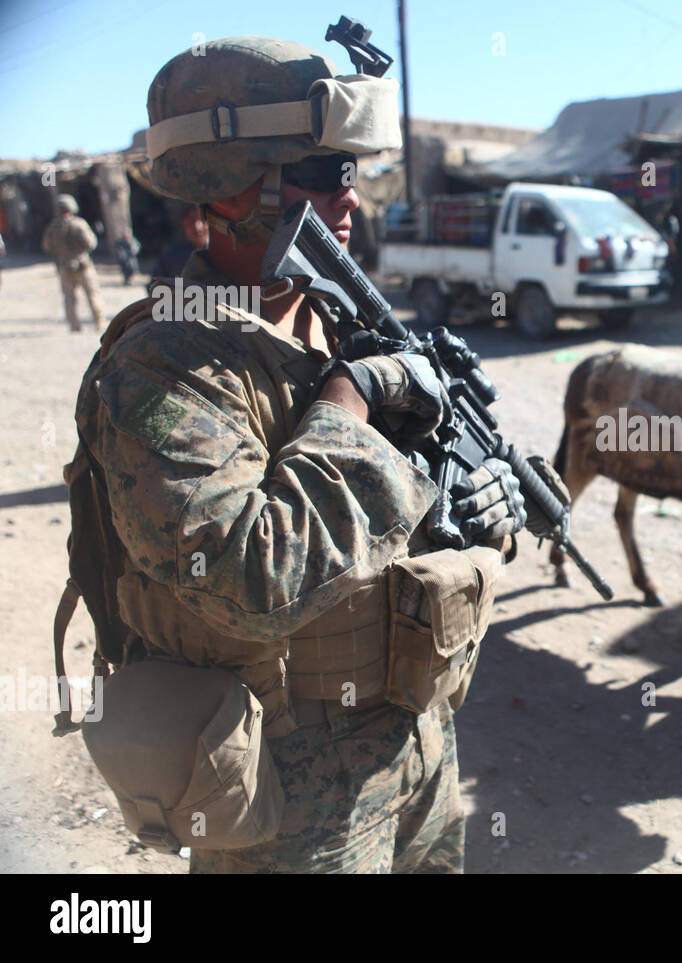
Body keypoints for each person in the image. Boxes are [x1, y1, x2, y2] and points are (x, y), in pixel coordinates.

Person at [80, 33, 531, 873]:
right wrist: (353, 399)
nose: (351, 200)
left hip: (419, 740)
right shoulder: (160, 367)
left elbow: (394, 521)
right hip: (291, 798)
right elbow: (250, 581)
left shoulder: (334, 316)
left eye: (353, 175)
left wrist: (470, 508)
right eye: (326, 177)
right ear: (226, 189)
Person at [41, 194, 106, 332]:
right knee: (93, 294)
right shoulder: (78, 224)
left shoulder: (53, 227)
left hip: (64, 267)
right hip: (83, 266)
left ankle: (74, 326)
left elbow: (46, 246)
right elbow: (91, 243)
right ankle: (99, 323)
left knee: (70, 299)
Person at [150, 205, 208, 281]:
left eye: (202, 221)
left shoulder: (222, 254)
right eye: (192, 221)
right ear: (184, 224)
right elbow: (155, 286)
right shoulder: (171, 257)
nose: (198, 227)